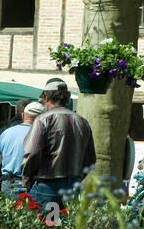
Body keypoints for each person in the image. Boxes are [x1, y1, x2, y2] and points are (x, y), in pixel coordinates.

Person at [22, 79, 96, 210]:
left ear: (47, 96)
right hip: (73, 186)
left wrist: (27, 179)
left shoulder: (43, 119)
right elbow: (90, 160)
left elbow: (32, 153)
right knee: (65, 227)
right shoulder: (82, 122)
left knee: (49, 226)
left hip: (48, 187)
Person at [0, 101, 45, 196]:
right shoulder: (41, 134)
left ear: (23, 115)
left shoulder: (6, 133)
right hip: (32, 185)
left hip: (8, 184)